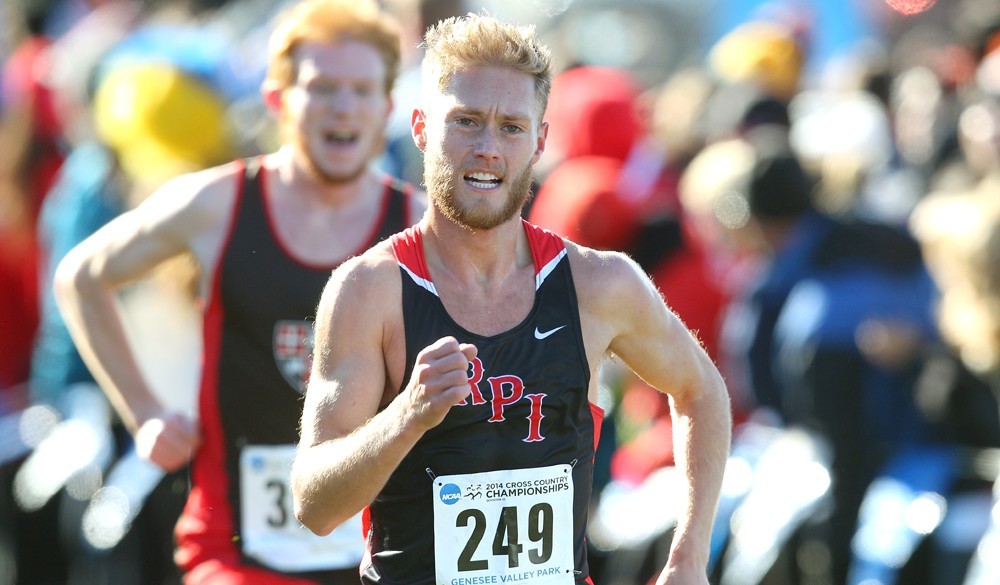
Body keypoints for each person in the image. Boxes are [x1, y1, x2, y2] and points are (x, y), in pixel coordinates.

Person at [290, 13, 732, 585]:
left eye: (511, 128)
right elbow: (314, 506)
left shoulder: (599, 284)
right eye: (466, 121)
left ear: (541, 141)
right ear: (421, 128)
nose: (488, 149)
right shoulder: (368, 291)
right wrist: (405, 417)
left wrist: (690, 557)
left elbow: (701, 391)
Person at [52, 0, 424, 583]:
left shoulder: (421, 225)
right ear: (277, 99)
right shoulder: (218, 204)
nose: (343, 107)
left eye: (361, 90)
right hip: (236, 550)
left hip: (381, 555)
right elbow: (80, 276)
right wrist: (145, 414)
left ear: (387, 106)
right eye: (322, 88)